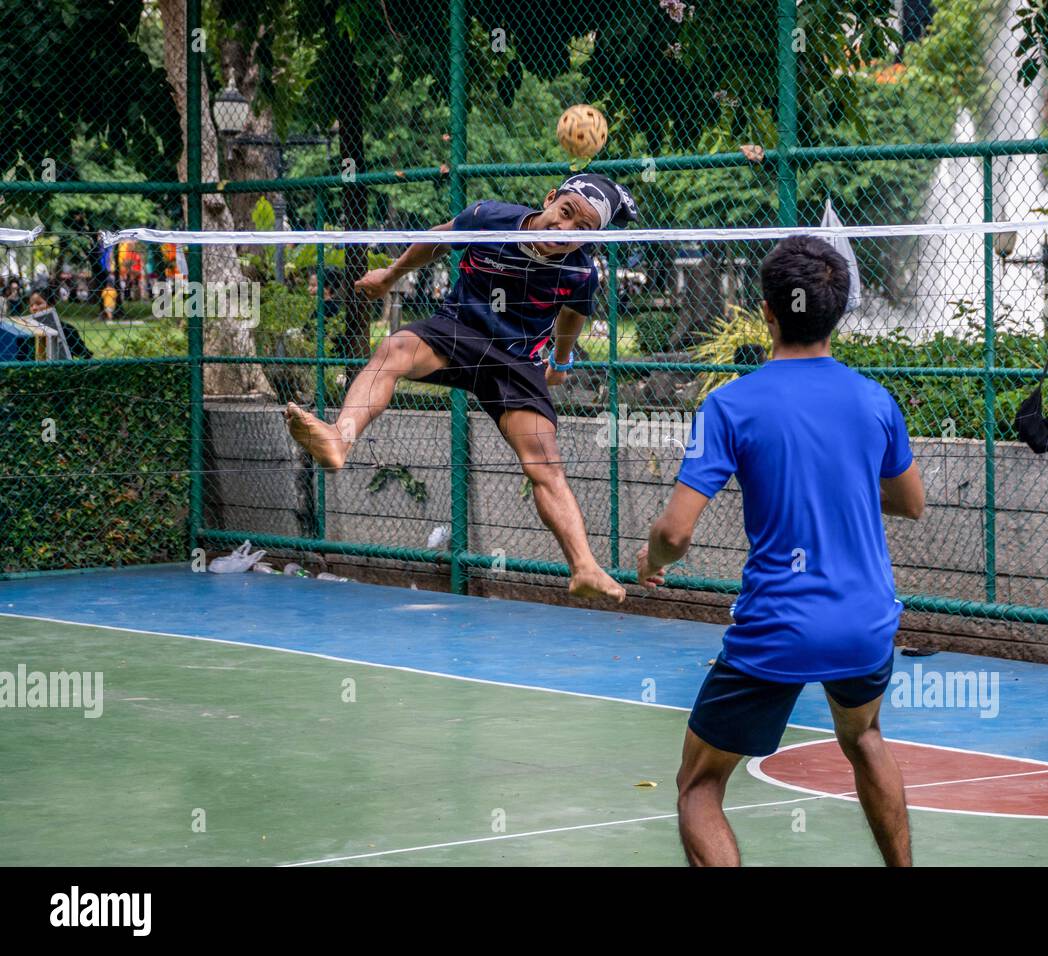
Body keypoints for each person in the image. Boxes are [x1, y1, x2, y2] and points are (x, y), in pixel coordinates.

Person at [637, 235, 926, 867]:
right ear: (838, 314)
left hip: (779, 627)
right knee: (866, 736)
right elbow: (910, 503)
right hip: (865, 621)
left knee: (699, 782)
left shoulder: (731, 404)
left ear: (766, 310)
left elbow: (676, 533)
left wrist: (653, 562)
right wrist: (842, 484)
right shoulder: (875, 401)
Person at [283, 173, 638, 602]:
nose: (565, 232)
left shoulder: (581, 273)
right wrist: (391, 276)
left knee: (544, 464)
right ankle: (339, 438)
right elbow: (436, 240)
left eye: (583, 231)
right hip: (457, 332)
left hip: (517, 360)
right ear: (549, 199)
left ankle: (584, 567)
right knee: (393, 350)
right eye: (564, 214)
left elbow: (571, 316)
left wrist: (561, 362)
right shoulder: (489, 217)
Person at [27, 291, 93, 358]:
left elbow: (85, 355)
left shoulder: (67, 329)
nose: (34, 308)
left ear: (51, 305)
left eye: (39, 304)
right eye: (31, 305)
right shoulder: (26, 329)